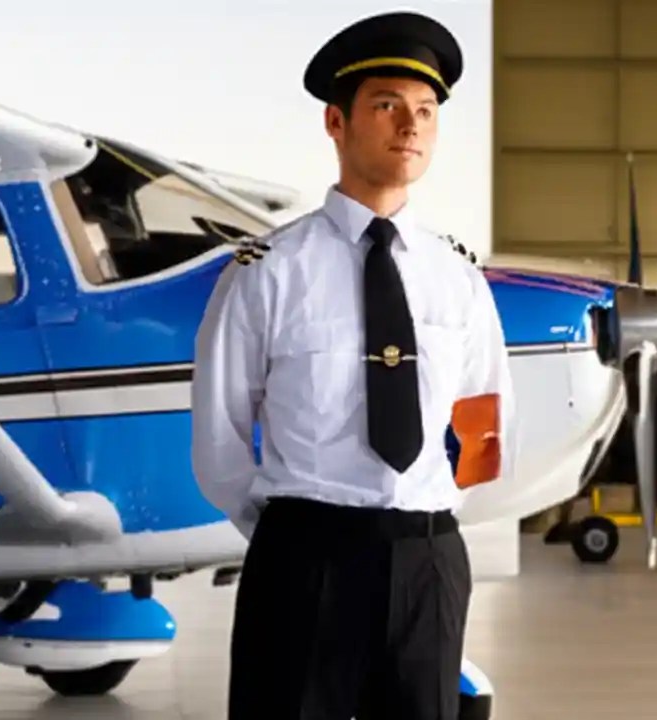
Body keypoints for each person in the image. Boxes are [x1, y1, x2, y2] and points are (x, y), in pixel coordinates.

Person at [189, 11, 514, 720]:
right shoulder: (268, 272)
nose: (411, 125)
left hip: (429, 559)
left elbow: (484, 424)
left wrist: (429, 522)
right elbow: (220, 439)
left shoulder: (457, 278)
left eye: (426, 110)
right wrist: (296, 538)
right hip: (305, 561)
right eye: (387, 105)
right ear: (336, 122)